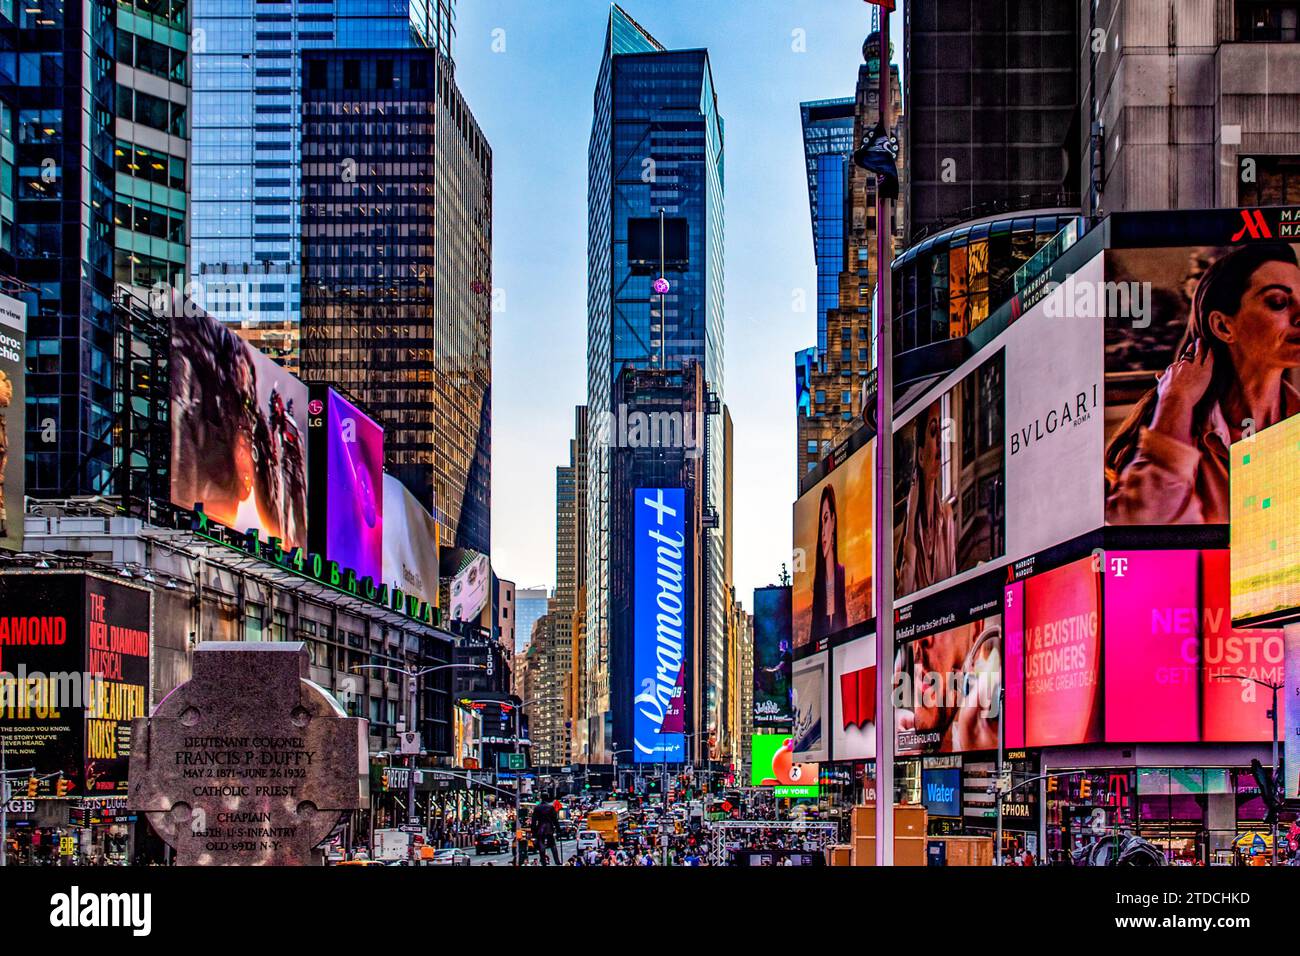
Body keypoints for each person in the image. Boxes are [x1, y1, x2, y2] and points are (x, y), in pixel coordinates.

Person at [1107, 243, 1300, 523]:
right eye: (1278, 302)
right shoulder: (1181, 428)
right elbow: (1143, 527)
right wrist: (1176, 400)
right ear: (1223, 326)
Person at [896, 400, 957, 596]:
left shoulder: (946, 516)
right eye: (933, 432)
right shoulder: (909, 533)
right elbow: (902, 596)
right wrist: (912, 517)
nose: (940, 439)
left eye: (940, 431)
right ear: (921, 457)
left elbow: (955, 588)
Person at [809, 485, 849, 641]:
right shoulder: (818, 583)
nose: (823, 532)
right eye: (821, 524)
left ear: (833, 519)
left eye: (825, 519)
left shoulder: (842, 573)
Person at [530, 798, 561, 866]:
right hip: (549, 828)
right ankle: (557, 861)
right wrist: (558, 829)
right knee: (553, 845)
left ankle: (543, 862)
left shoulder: (537, 808)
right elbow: (555, 819)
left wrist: (533, 832)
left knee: (542, 846)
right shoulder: (550, 807)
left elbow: (533, 821)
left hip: (541, 828)